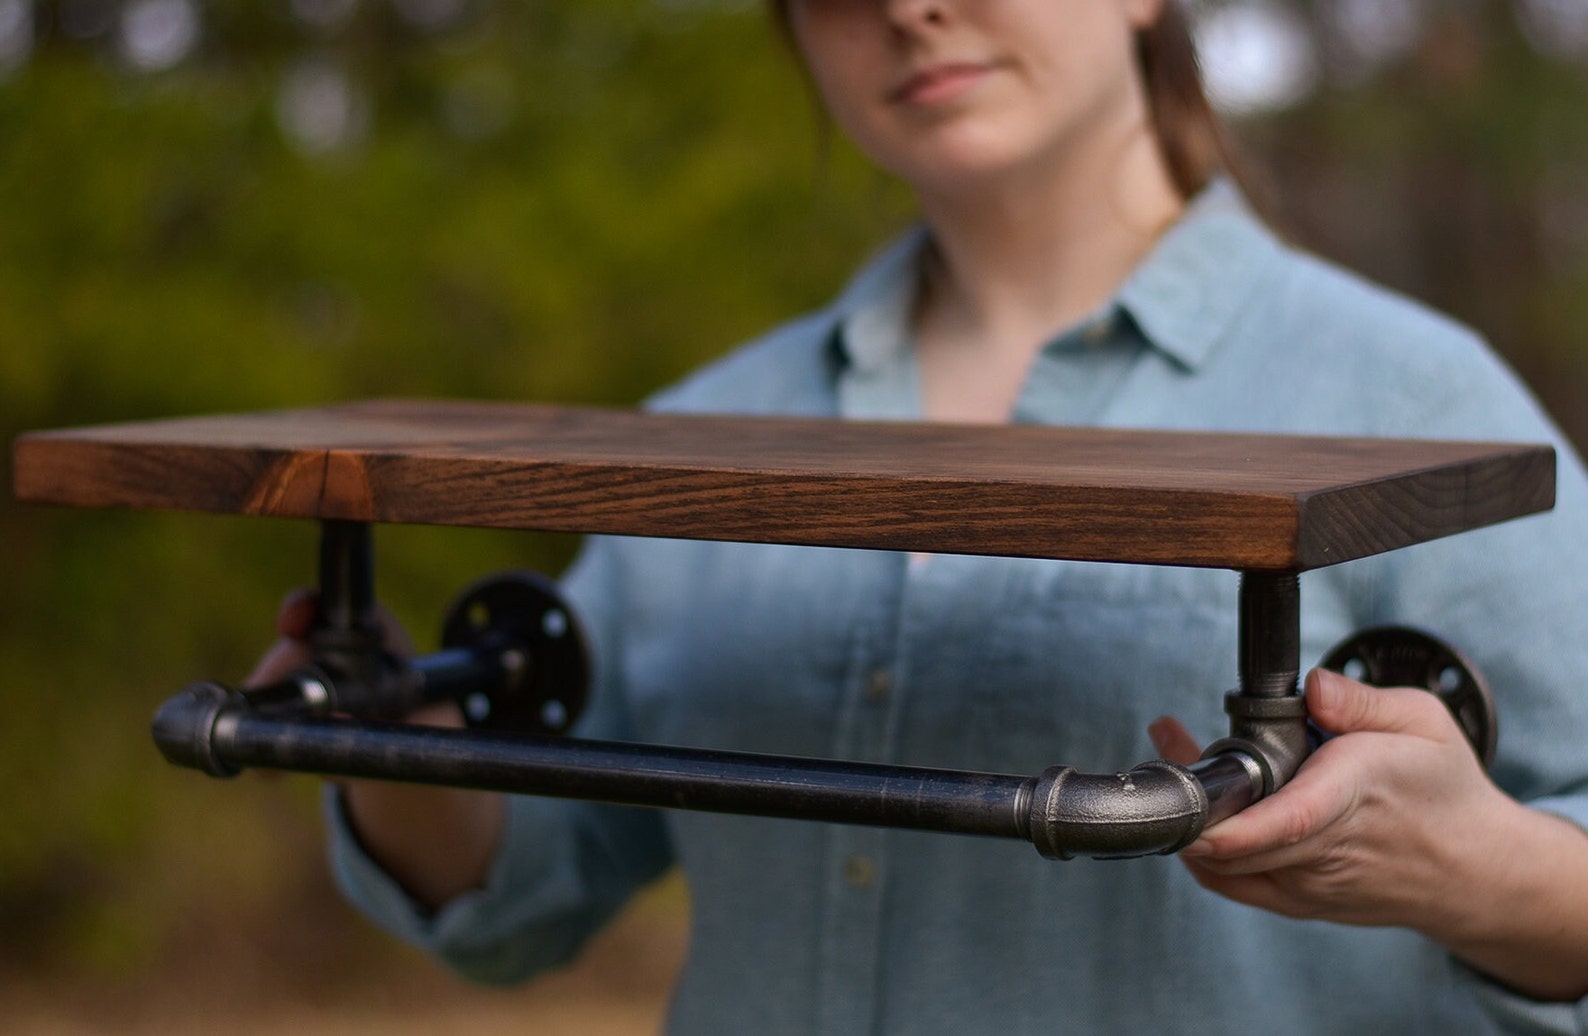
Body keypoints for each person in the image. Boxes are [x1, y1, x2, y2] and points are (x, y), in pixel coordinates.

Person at [252, 1, 1588, 1031]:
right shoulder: (703, 432)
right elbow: (520, 893)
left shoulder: (1419, 404)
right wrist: (383, 738)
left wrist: (1489, 876)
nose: (906, 7)